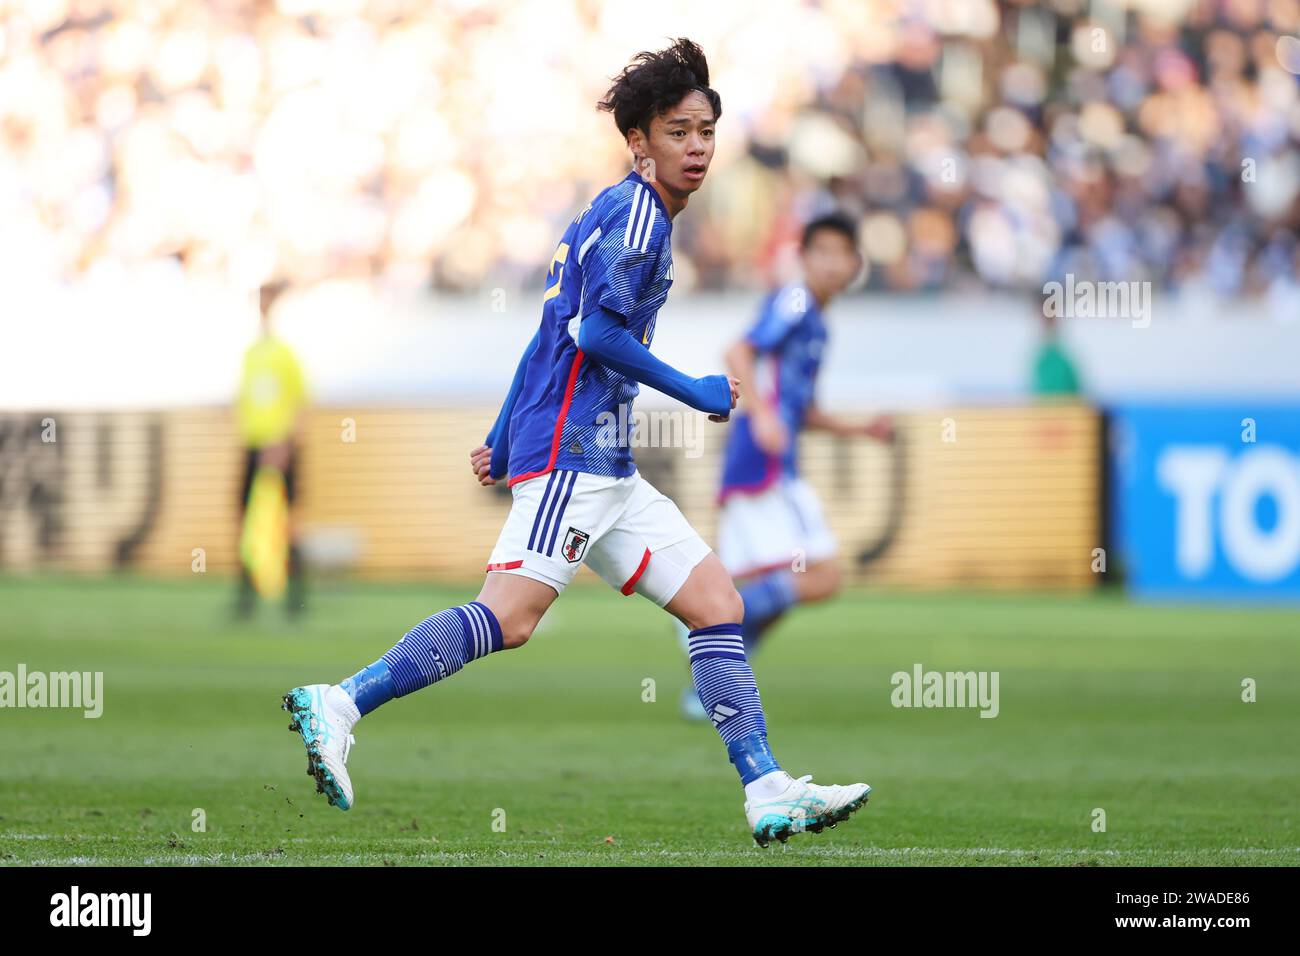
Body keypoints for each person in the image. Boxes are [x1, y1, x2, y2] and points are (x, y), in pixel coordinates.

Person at [280, 38, 870, 847]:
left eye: (704, 130)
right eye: (677, 132)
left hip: (604, 462)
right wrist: (694, 389)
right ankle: (341, 701)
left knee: (715, 604)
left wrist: (497, 432)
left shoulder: (615, 209)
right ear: (640, 142)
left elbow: (544, 333)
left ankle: (766, 786)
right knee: (511, 617)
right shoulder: (638, 219)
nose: (695, 147)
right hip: (573, 454)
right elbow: (592, 333)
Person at [679, 215, 894, 718]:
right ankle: (704, 618)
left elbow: (805, 411)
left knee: (787, 593)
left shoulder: (818, 323)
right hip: (764, 465)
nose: (830, 263)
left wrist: (859, 429)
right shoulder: (795, 301)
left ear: (855, 264)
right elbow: (737, 350)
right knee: (821, 577)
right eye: (820, 252)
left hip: (778, 462)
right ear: (803, 258)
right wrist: (760, 413)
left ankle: (708, 684)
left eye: (840, 253)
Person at [235, 280, 307, 618]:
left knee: (288, 522)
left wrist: (285, 442)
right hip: (252, 444)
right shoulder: (251, 353)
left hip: (281, 446)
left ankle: (296, 597)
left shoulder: (284, 352)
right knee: (245, 520)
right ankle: (246, 596)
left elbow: (300, 402)